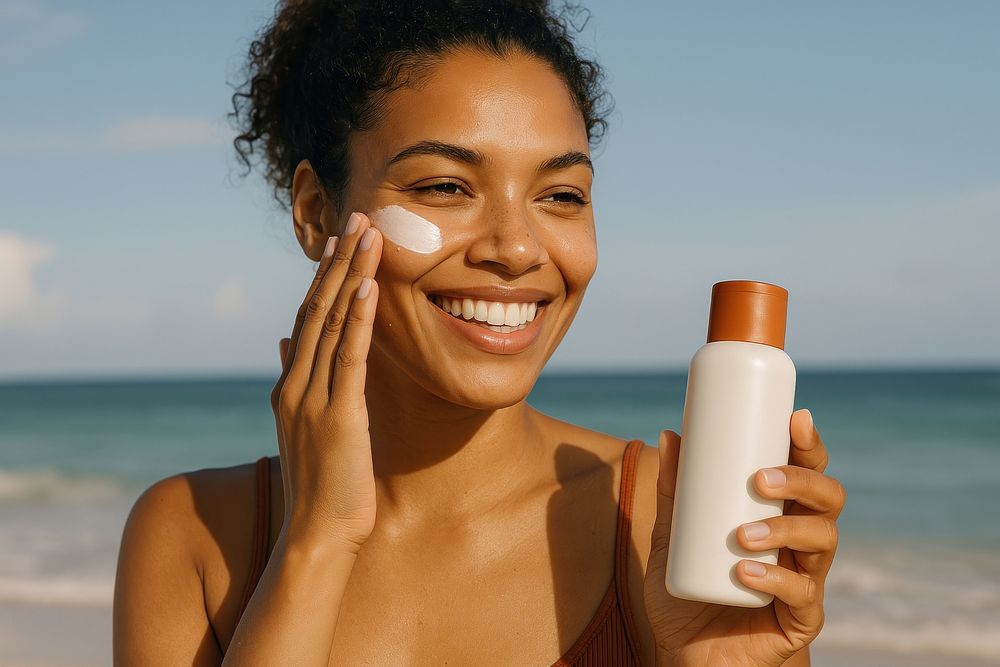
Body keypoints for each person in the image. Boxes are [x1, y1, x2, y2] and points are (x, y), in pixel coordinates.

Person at [112, 1, 846, 664]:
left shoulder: (662, 523)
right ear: (314, 209)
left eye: (561, 195)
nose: (518, 247)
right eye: (445, 186)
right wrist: (313, 541)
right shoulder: (194, 535)